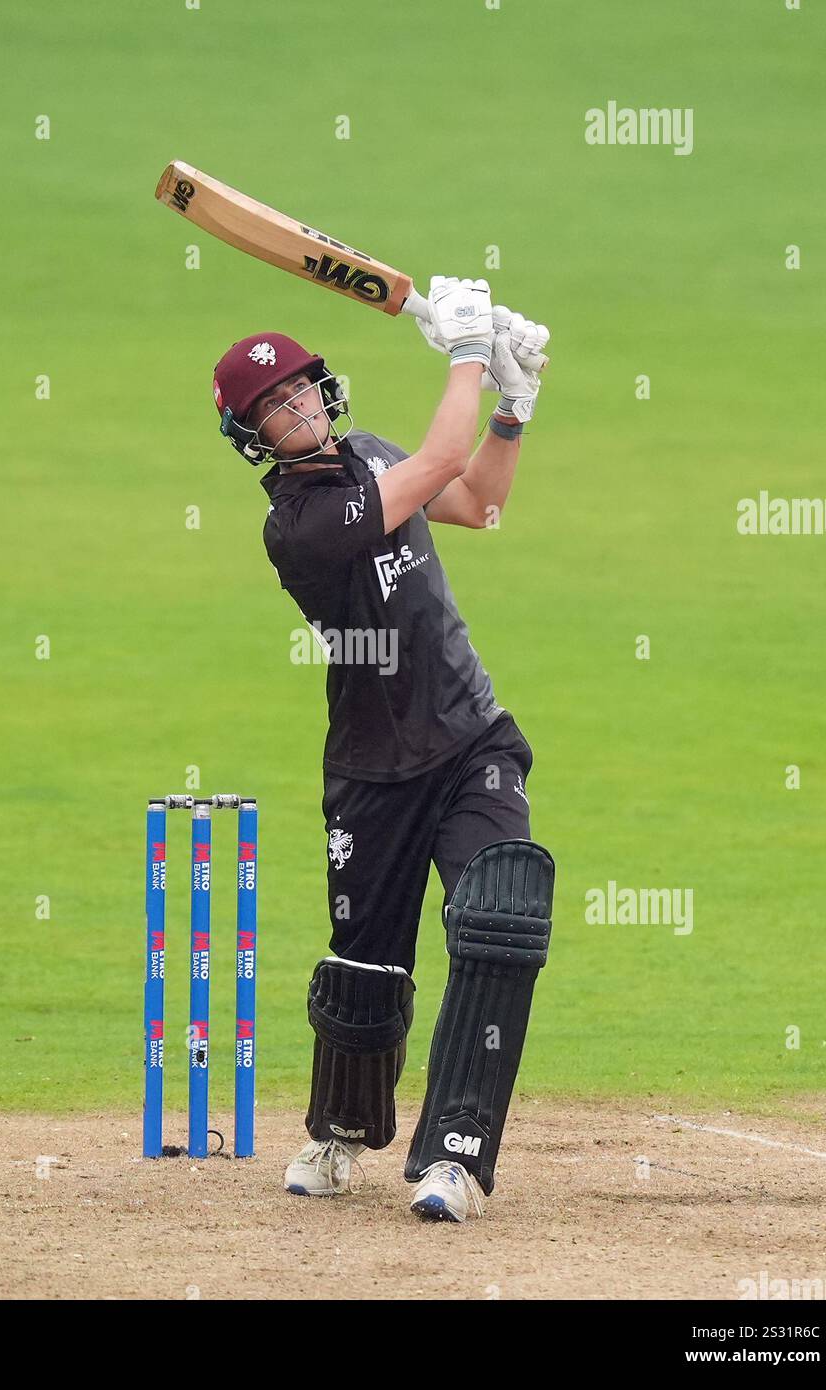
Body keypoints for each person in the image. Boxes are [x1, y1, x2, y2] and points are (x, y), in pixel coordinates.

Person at [212, 278, 554, 1222]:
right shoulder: (304, 527)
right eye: (272, 407)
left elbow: (476, 498)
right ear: (253, 439)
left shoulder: (367, 455)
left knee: (500, 920)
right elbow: (444, 446)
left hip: (470, 740)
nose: (298, 408)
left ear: (330, 389)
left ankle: (454, 1157)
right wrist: (468, 350)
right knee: (365, 969)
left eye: (304, 389)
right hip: (371, 771)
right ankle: (343, 1135)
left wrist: (514, 406)